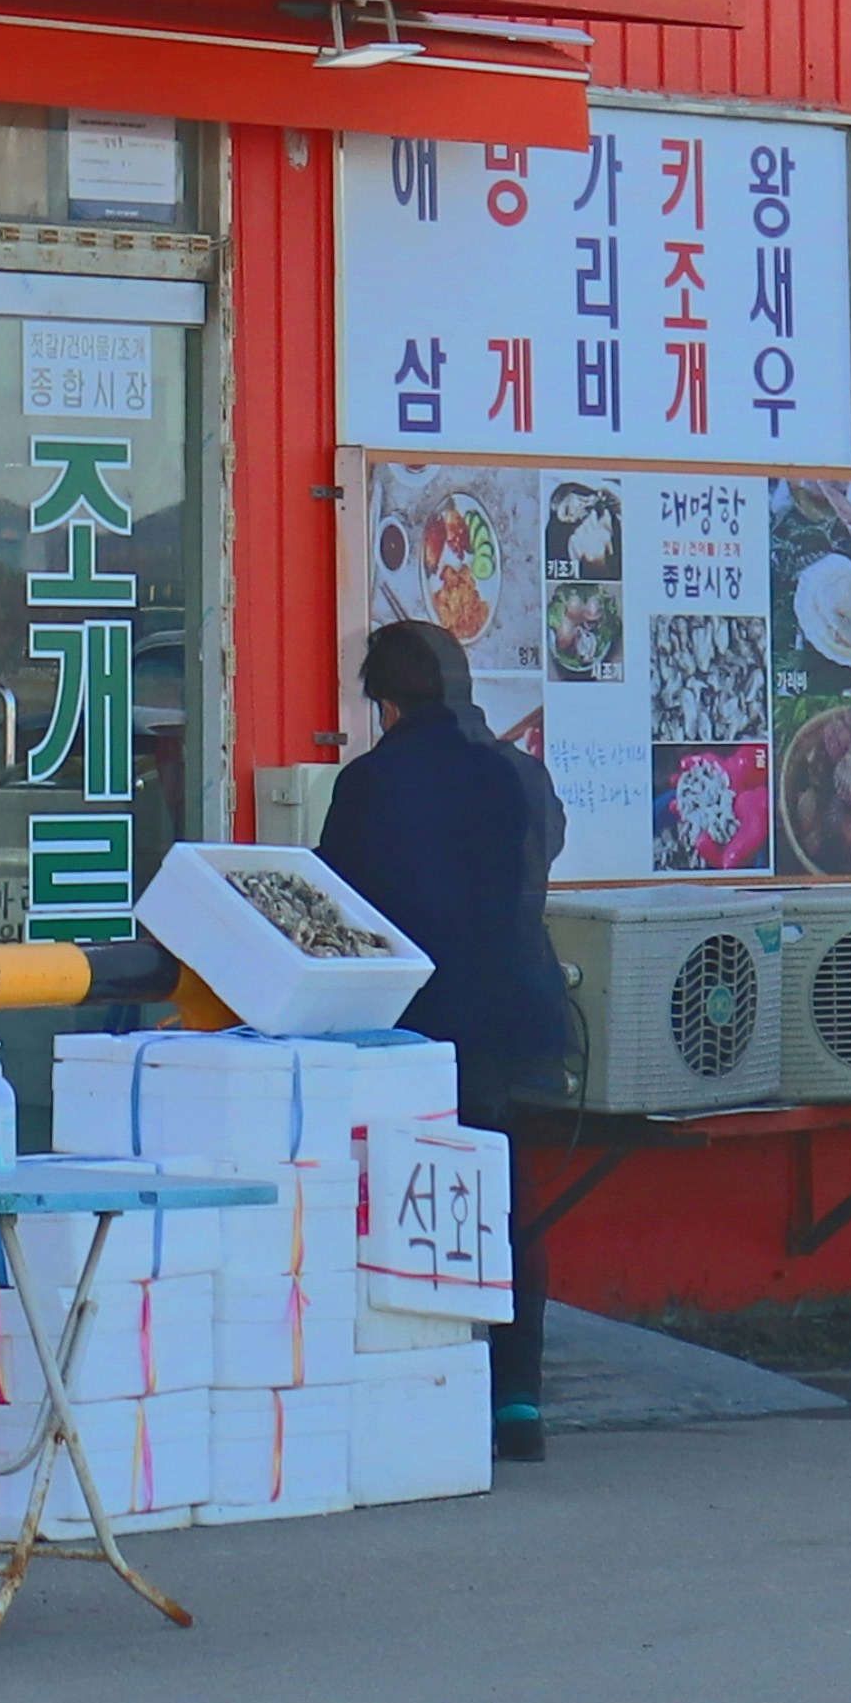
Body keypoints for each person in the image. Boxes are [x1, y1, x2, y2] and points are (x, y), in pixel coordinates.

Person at [310, 616, 578, 1460]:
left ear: (383, 703)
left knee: (414, 1200)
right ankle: (519, 1402)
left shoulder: (369, 784)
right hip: (519, 1015)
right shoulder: (521, 775)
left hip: (416, 1027)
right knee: (507, 1202)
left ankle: (429, 1384)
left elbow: (334, 903)